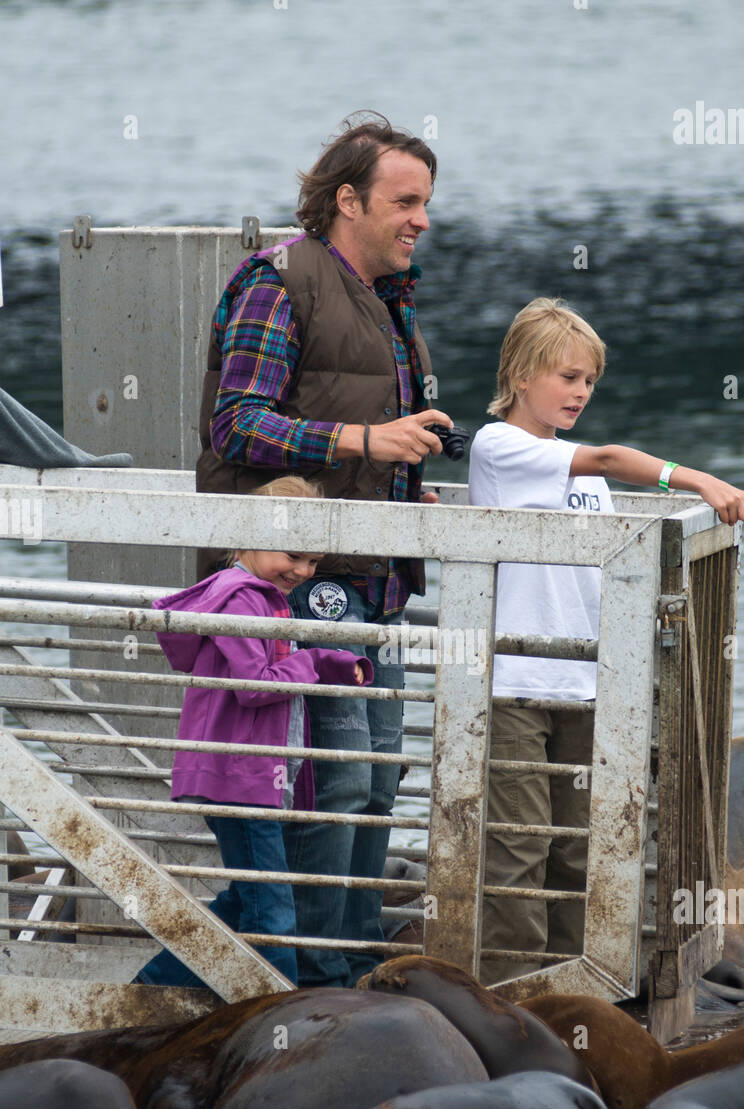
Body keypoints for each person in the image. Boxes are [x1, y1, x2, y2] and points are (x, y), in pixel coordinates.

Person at [195, 112, 449, 987]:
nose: (421, 219)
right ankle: (307, 991)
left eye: (426, 203)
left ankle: (351, 982)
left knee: (375, 786)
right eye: (404, 201)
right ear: (347, 199)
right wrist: (366, 441)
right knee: (328, 788)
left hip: (373, 585)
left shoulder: (388, 298)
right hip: (295, 585)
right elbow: (238, 428)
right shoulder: (280, 280)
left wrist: (409, 446)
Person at [468, 298, 744, 986]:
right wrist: (694, 478)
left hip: (588, 682)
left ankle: (573, 987)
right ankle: (512, 992)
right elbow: (607, 454)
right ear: (521, 375)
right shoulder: (499, 445)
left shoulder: (581, 474)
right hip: (519, 684)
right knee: (520, 846)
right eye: (566, 376)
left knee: (579, 849)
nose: (579, 391)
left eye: (588, 382)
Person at [134, 477, 372, 991]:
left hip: (243, 774)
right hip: (236, 775)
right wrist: (315, 660)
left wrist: (332, 659)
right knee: (272, 904)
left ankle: (152, 989)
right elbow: (255, 685)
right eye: (293, 555)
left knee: (247, 897)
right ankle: (278, 1016)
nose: (303, 572)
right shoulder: (242, 600)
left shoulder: (261, 597)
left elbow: (272, 671)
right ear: (249, 535)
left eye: (313, 563)